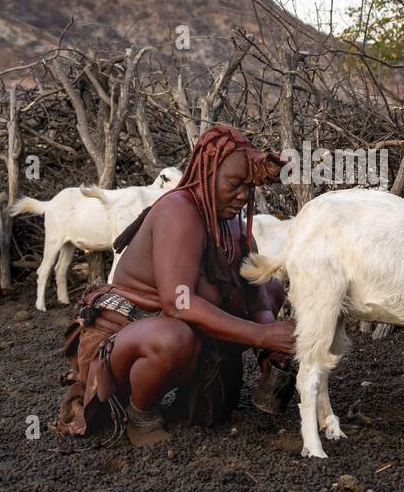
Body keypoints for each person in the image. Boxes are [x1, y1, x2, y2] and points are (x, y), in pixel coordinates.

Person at [56, 124, 296, 446]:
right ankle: (140, 415)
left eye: (248, 187)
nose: (243, 195)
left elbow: (260, 300)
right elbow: (178, 303)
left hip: (184, 337)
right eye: (234, 183)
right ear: (207, 173)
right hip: (132, 333)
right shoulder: (179, 211)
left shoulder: (236, 229)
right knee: (174, 336)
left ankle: (186, 397)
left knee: (271, 286)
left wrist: (271, 349)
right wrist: (261, 334)